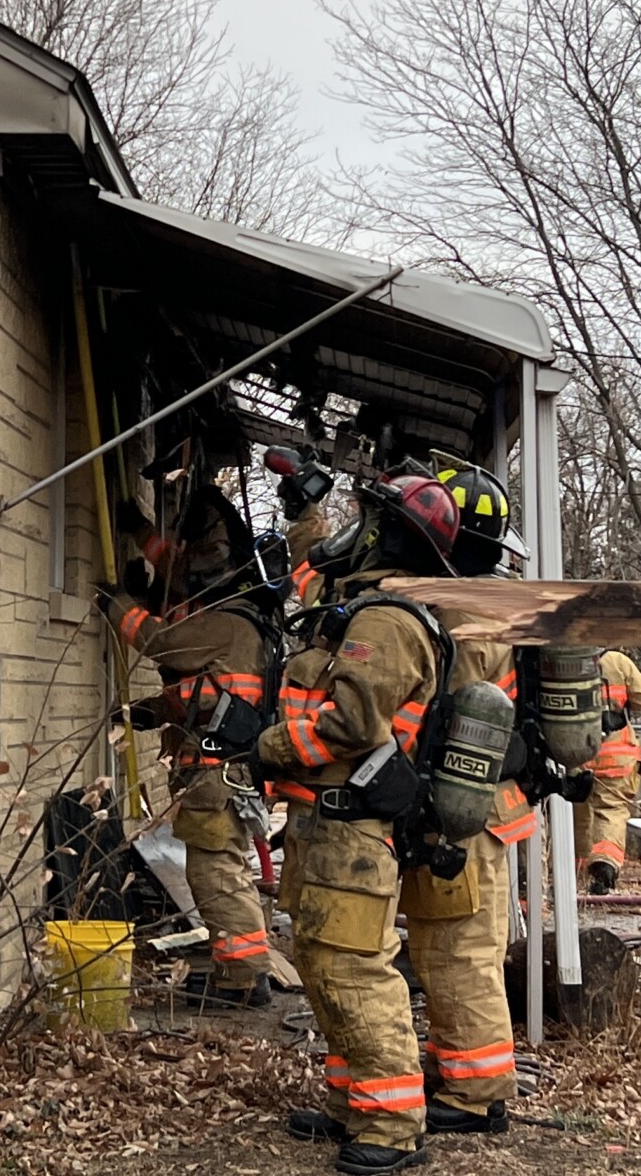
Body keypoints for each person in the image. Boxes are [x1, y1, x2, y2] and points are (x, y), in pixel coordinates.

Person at [247, 471, 467, 1174]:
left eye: (364, 516)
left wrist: (265, 746)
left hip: (354, 833)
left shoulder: (388, 621)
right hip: (322, 827)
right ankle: (352, 1106)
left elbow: (351, 724)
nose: (351, 524)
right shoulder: (357, 608)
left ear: (386, 532)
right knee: (319, 966)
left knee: (354, 973)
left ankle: (393, 1124)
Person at [392, 460, 532, 1137]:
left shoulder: (460, 608)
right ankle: (463, 1074)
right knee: (448, 948)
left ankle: (476, 1095)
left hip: (466, 813)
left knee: (458, 954)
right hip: (480, 805)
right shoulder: (492, 598)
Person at [99, 488, 279, 1007]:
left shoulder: (226, 621)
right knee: (223, 868)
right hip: (226, 768)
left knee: (214, 870)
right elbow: (201, 693)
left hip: (214, 772)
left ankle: (245, 979)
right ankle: (237, 972)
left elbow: (161, 642)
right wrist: (147, 713)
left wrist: (119, 605)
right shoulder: (246, 619)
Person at [584, 648, 641, 893]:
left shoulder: (567, 661)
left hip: (578, 756)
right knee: (612, 810)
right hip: (616, 756)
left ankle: (573, 876)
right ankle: (604, 865)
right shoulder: (617, 661)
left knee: (580, 815)